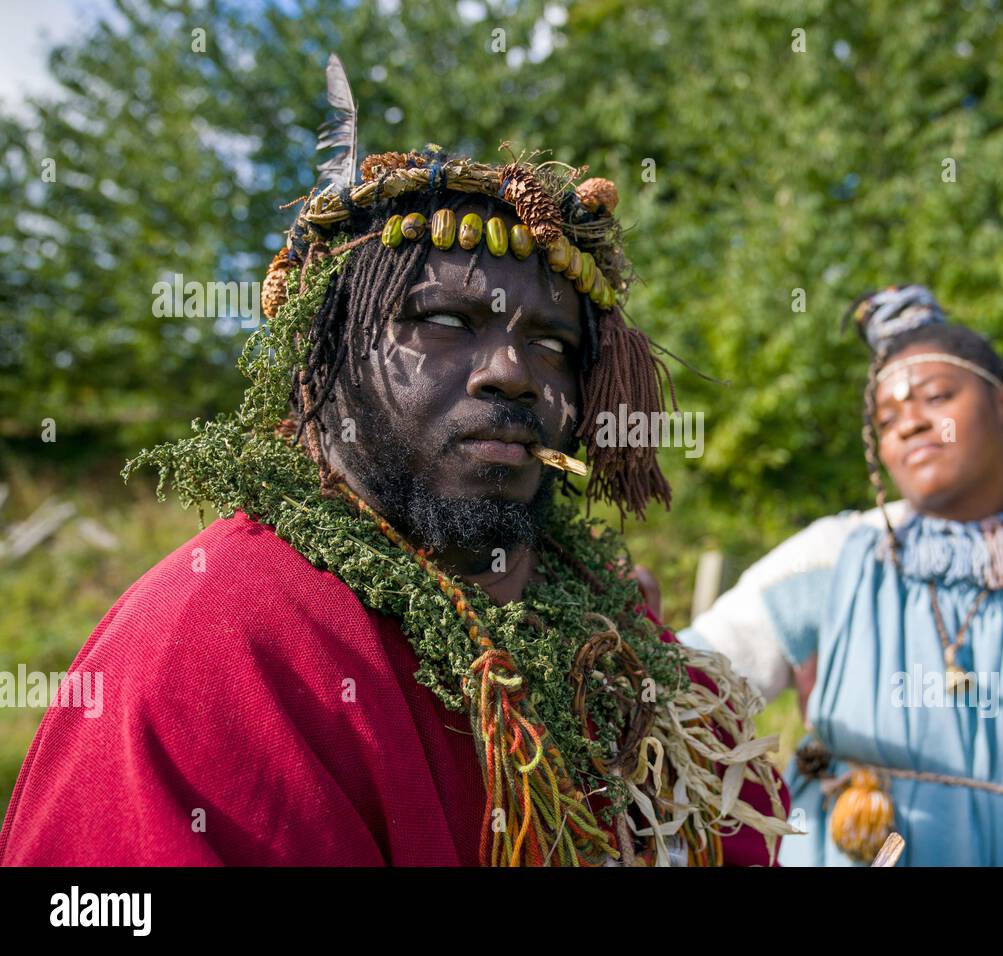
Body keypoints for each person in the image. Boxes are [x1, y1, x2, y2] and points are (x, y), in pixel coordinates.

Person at [0, 58, 790, 867]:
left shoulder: (609, 622)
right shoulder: (214, 650)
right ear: (322, 360)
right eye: (444, 319)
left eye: (552, 343)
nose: (511, 371)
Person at [679, 285, 1003, 866]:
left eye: (937, 396)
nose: (910, 425)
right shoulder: (837, 558)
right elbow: (685, 694)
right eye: (887, 416)